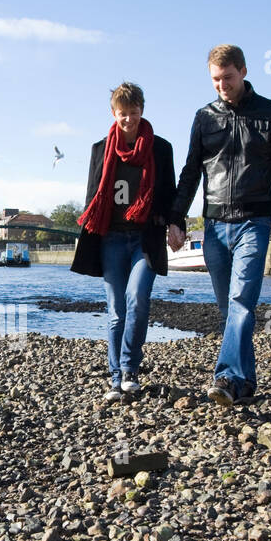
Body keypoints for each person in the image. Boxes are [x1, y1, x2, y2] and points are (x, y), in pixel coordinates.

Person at [169, 45, 271, 407]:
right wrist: (176, 218)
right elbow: (190, 172)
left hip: (254, 223)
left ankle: (225, 376)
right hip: (214, 225)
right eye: (215, 80)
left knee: (243, 301)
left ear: (243, 71)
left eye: (227, 77)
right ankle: (244, 383)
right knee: (230, 309)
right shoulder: (204, 117)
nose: (222, 86)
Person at [71, 82, 183, 401]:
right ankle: (115, 378)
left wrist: (175, 224)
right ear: (113, 113)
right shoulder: (100, 149)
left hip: (145, 240)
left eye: (134, 113)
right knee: (117, 310)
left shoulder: (160, 149)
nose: (129, 120)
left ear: (142, 111)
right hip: (111, 240)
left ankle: (130, 369)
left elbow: (169, 194)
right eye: (123, 114)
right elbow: (93, 197)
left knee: (137, 299)